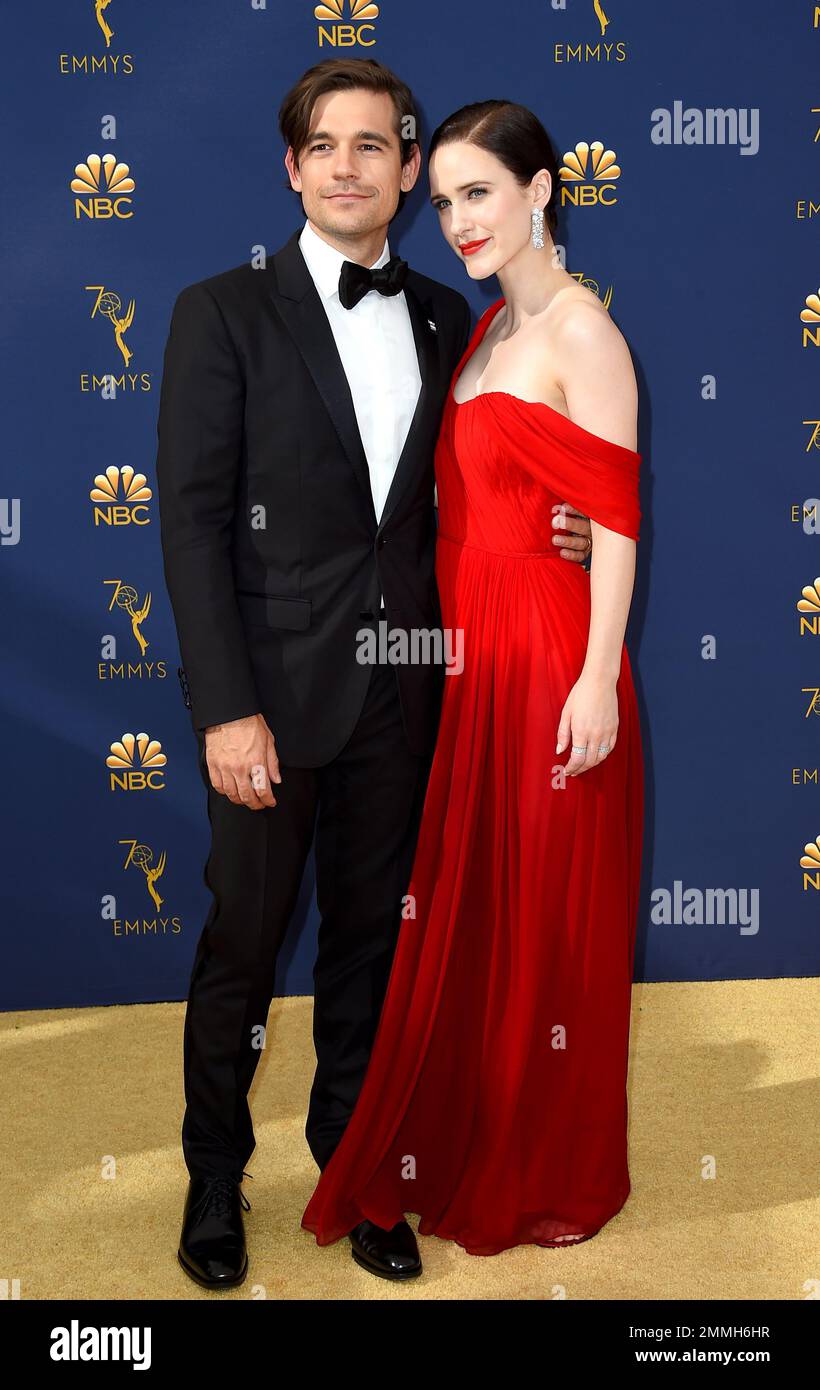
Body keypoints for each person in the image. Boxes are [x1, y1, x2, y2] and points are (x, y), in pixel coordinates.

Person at [155, 61, 592, 1290]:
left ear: (408, 169)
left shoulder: (457, 321)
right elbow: (189, 527)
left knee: (371, 946)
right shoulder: (218, 311)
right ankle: (211, 1177)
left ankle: (356, 1170)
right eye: (321, 145)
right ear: (293, 169)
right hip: (271, 704)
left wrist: (569, 528)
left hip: (408, 694)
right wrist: (225, 708)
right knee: (242, 947)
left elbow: (496, 483)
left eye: (373, 144)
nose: (348, 164)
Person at [301, 99, 644, 1274]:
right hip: (467, 661)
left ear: (541, 188)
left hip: (548, 662)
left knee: (539, 922)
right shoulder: (488, 326)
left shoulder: (583, 334)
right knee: (474, 916)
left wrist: (596, 678)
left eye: (477, 193)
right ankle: (462, 1131)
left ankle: (538, 1161)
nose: (454, 221)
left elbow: (615, 520)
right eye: (441, 200)